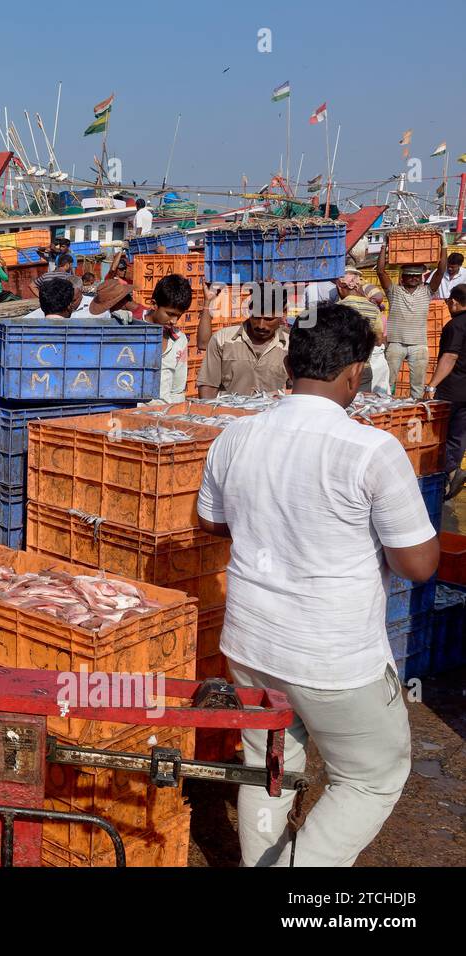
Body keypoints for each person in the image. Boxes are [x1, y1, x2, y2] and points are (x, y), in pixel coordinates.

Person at [197, 302, 437, 867]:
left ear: (288, 365)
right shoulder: (370, 449)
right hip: (332, 658)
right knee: (371, 779)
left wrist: (273, 519)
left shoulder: (236, 437)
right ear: (356, 372)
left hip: (252, 645)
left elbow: (210, 519)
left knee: (268, 764)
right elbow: (419, 565)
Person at [378, 243, 446, 401]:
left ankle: (414, 410)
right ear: (402, 277)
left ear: (421, 277)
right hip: (395, 343)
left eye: (417, 275)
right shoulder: (394, 291)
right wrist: (383, 247)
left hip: (419, 345)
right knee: (387, 382)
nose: (414, 278)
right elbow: (381, 271)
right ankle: (383, 406)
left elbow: (441, 270)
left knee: (417, 386)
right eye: (410, 275)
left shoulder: (427, 291)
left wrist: (443, 245)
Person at [197, 286, 290, 398]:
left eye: (269, 319)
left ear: (283, 313)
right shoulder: (222, 340)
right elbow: (208, 386)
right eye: (256, 317)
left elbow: (297, 392)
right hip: (229, 414)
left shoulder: (291, 346)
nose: (261, 325)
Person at [425, 285, 466, 499]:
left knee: (437, 432)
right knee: (458, 437)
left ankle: (450, 471)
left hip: (452, 389)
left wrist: (432, 385)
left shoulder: (455, 325)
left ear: (454, 302)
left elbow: (450, 357)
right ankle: (452, 475)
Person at [143, 274, 192, 405]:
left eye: (178, 316)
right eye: (170, 314)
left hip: (162, 415)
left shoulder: (180, 340)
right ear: (154, 304)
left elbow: (177, 390)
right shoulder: (131, 331)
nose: (174, 321)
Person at [336, 270, 385, 392]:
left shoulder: (338, 308)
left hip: (341, 369)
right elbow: (379, 341)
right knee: (361, 406)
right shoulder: (374, 309)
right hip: (363, 368)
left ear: (341, 286)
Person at [362, 282, 392, 395]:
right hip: (379, 359)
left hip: (371, 359)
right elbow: (383, 341)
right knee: (380, 394)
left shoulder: (366, 314)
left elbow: (379, 341)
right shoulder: (382, 315)